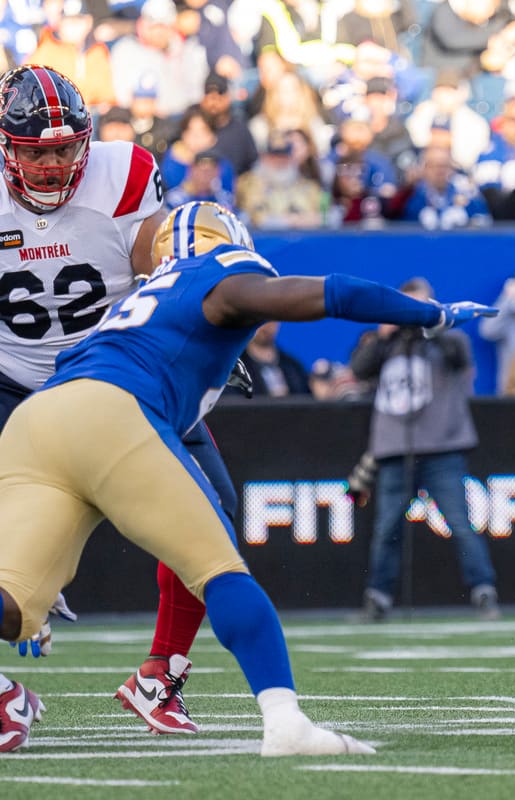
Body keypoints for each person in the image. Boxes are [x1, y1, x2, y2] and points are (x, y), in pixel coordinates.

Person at [0, 200, 497, 754]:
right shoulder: (220, 269)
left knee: (13, 608)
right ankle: (285, 723)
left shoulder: (141, 298)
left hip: (34, 422)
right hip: (110, 412)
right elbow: (329, 294)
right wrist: (429, 314)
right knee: (220, 572)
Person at [0, 65, 247, 739]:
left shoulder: (124, 173)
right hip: (13, 376)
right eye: (35, 151)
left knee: (213, 512)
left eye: (63, 148)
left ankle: (159, 677)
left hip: (119, 371)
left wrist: (202, 334)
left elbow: (161, 269)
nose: (51, 164)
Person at [350, 277, 500, 622]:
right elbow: (359, 369)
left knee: (459, 523)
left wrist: (434, 325)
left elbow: (458, 358)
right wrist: (385, 333)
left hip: (442, 447)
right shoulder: (385, 344)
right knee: (386, 528)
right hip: (394, 449)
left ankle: (483, 591)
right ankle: (378, 598)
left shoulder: (450, 339)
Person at [240, 321, 311, 397]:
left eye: (272, 320)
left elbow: (306, 396)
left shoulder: (293, 366)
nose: (267, 326)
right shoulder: (235, 367)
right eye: (261, 320)